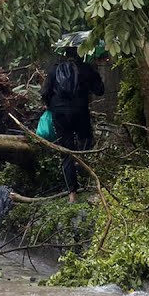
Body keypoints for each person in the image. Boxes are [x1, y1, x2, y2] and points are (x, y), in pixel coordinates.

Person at [41, 46, 105, 202]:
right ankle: (89, 182)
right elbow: (100, 90)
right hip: (80, 112)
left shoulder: (54, 70)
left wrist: (52, 106)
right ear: (81, 53)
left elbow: (44, 93)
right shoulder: (86, 69)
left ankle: (72, 194)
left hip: (60, 114)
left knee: (66, 151)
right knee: (86, 143)